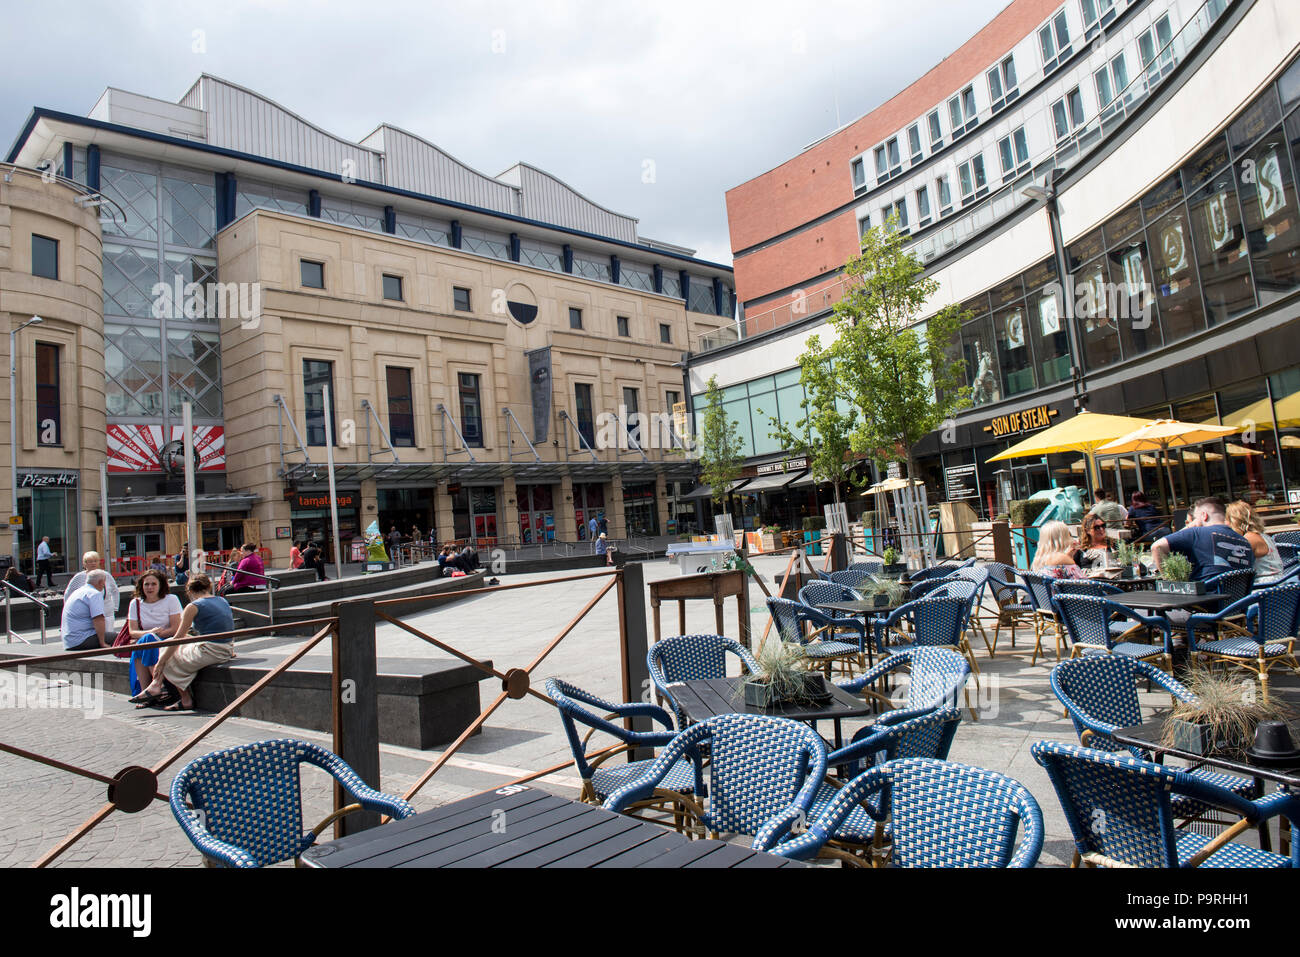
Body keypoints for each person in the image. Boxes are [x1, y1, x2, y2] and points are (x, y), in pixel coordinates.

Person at [132, 574, 234, 712]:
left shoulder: (193, 606)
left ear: (189, 590)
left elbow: (178, 638)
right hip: (226, 648)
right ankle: (156, 685)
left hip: (211, 650)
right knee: (168, 645)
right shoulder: (222, 600)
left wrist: (160, 662)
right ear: (209, 587)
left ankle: (183, 698)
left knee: (168, 656)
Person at [1151, 497, 1254, 581]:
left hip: (1205, 601)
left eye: (1195, 518)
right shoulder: (1245, 541)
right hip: (1238, 602)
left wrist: (1169, 579)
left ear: (1204, 515)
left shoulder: (1196, 533)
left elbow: (1157, 546)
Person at [123, 569, 183, 697]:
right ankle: (151, 688)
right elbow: (132, 632)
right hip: (147, 640)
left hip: (167, 639)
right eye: (146, 584)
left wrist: (156, 635)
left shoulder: (171, 599)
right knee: (147, 640)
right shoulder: (136, 603)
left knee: (147, 641)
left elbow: (175, 628)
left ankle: (151, 688)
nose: (150, 587)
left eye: (153, 584)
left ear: (161, 585)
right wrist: (151, 633)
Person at [1226, 500, 1284, 583]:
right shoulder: (1263, 536)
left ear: (1234, 521)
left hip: (1264, 586)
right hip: (1279, 582)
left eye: (1227, 520)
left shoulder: (1249, 539)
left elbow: (1233, 562)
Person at [64, 552, 119, 627]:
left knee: (107, 636)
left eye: (95, 561)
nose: (93, 563)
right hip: (86, 616)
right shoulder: (79, 577)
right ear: (84, 564)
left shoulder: (106, 575)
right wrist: (69, 610)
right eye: (90, 561)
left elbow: (115, 591)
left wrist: (115, 607)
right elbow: (68, 594)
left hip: (106, 613)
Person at [61, 569, 109, 651]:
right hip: (81, 640)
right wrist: (102, 642)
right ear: (101, 582)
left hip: (69, 641)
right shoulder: (94, 594)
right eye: (104, 582)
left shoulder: (79, 591)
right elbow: (98, 619)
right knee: (120, 638)